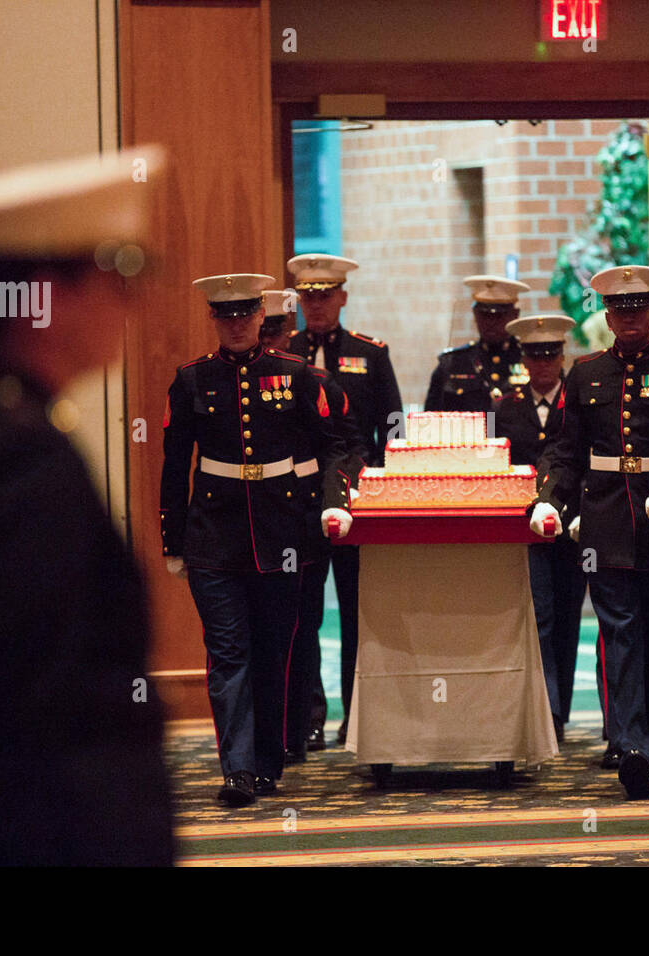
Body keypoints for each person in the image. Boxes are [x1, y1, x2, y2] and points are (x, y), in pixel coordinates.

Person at [0, 147, 174, 864]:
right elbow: (33, 712)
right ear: (46, 295)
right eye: (119, 271)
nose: (131, 300)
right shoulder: (18, 460)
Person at [162, 273, 351, 805]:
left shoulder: (295, 376)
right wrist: (173, 540)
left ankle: (268, 760)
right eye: (227, 316)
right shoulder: (191, 380)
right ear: (215, 320)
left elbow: (334, 446)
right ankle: (237, 770)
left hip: (282, 535)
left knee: (274, 652)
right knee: (228, 653)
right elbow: (175, 467)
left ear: (260, 319)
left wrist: (332, 502)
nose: (238, 324)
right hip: (214, 538)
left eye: (246, 314)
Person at [529, 265, 649, 798]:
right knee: (619, 634)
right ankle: (630, 746)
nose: (629, 318)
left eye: (639, 309)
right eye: (619, 310)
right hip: (605, 521)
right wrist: (548, 501)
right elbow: (564, 450)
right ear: (607, 316)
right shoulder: (584, 374)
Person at [285, 254, 399, 746]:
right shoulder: (284, 355)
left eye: (326, 295)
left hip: (358, 500)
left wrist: (383, 488)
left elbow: (391, 427)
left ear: (343, 297)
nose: (317, 305)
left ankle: (359, 715)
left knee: (358, 612)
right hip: (300, 500)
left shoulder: (369, 354)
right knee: (304, 612)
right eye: (309, 297)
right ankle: (309, 716)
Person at [256, 290, 366, 763]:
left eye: (278, 333)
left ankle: (298, 727)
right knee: (262, 632)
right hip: (249, 523)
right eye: (267, 334)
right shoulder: (233, 381)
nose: (274, 342)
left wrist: (336, 501)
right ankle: (276, 731)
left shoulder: (316, 383)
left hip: (307, 521)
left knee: (304, 625)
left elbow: (347, 446)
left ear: (289, 332)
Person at [493, 314, 585, 745]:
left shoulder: (581, 397)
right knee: (539, 617)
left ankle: (560, 708)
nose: (543, 364)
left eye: (550, 355)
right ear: (524, 359)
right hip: (525, 527)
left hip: (573, 526)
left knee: (568, 617)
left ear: (562, 355)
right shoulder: (504, 407)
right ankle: (544, 711)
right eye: (534, 356)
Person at [425, 275, 531, 412]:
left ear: (515, 315)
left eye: (499, 316)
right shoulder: (453, 363)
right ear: (475, 315)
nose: (491, 323)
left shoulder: (532, 360)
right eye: (484, 316)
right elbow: (431, 420)